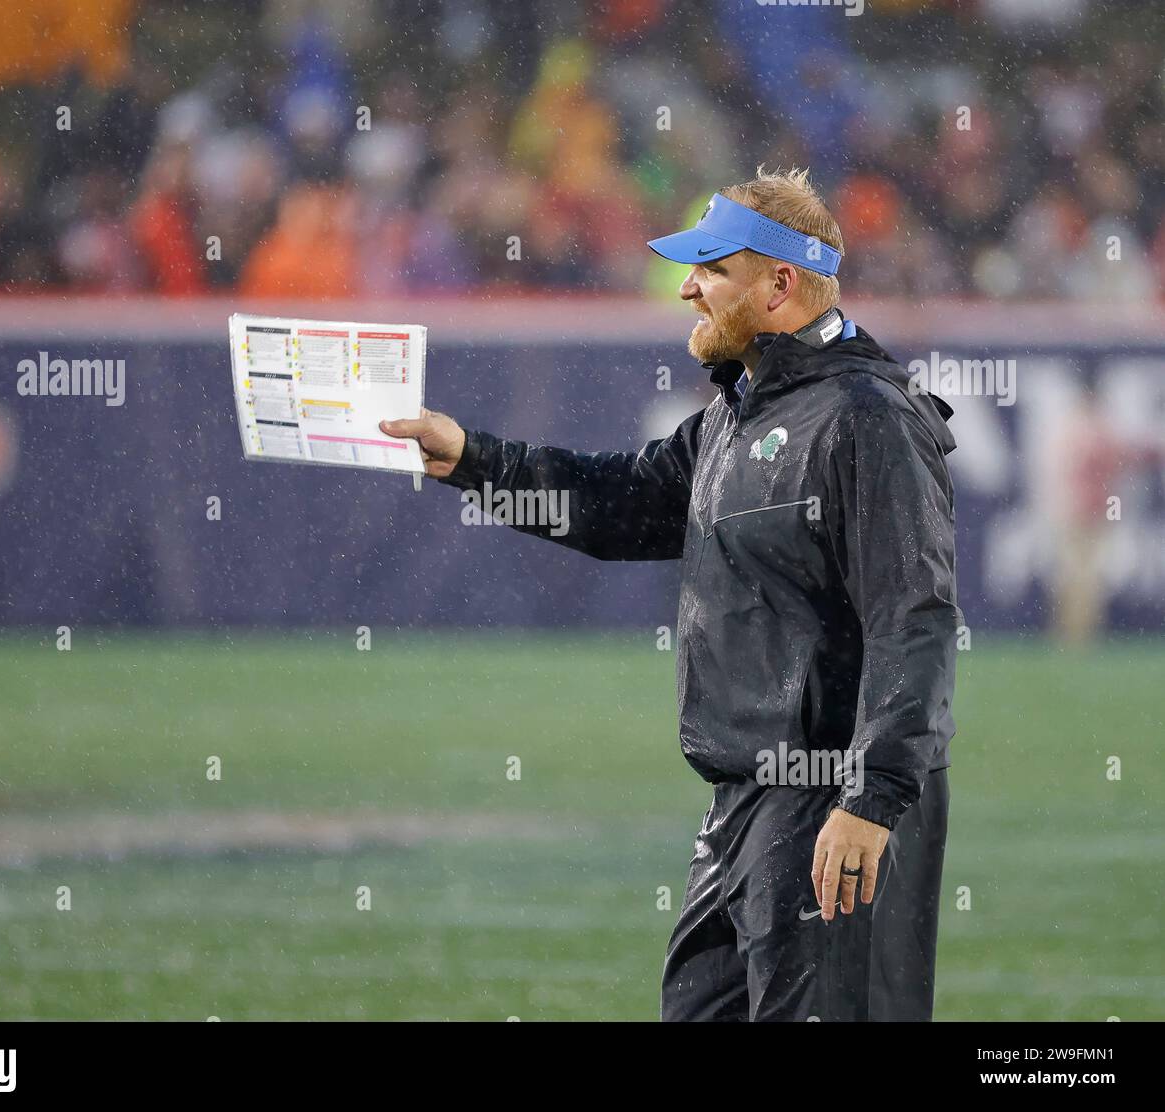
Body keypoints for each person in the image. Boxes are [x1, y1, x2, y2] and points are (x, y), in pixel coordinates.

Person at [381, 167, 960, 1022]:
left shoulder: (866, 417)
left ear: (779, 284)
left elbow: (914, 619)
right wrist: (473, 459)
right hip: (742, 808)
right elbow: (617, 503)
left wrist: (870, 800)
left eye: (709, 271)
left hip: (832, 802)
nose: (686, 288)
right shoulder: (739, 411)